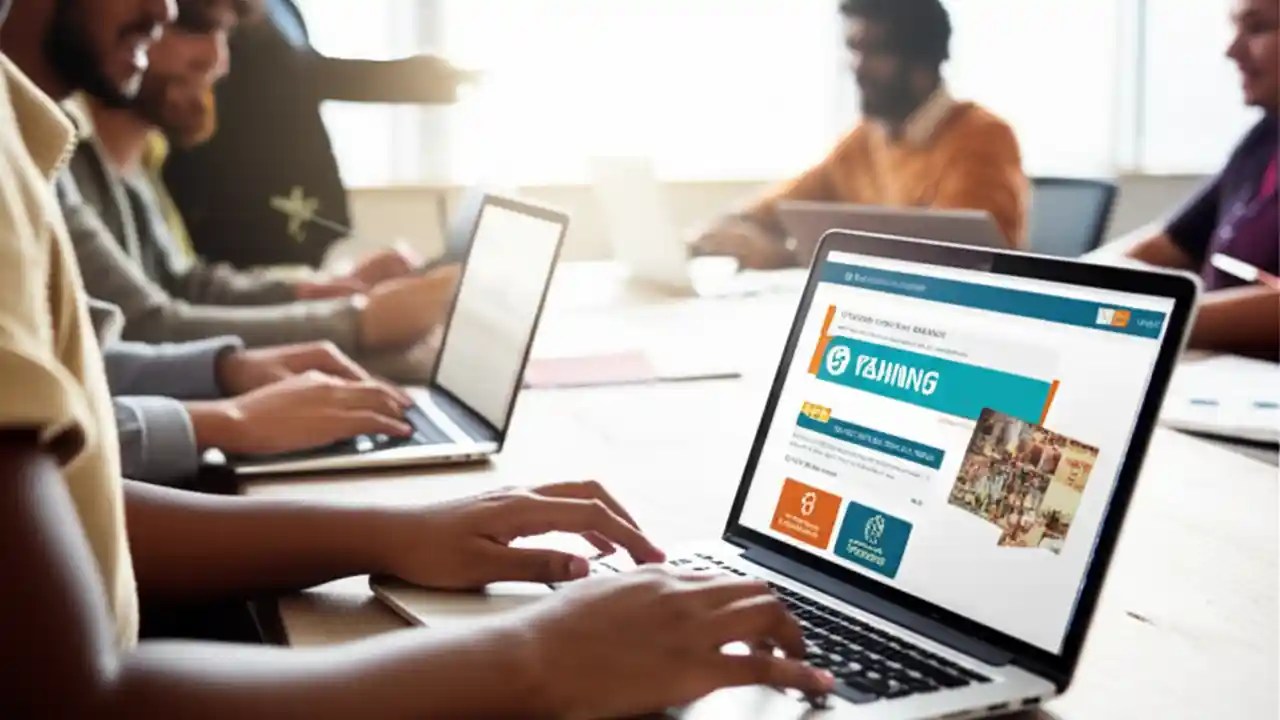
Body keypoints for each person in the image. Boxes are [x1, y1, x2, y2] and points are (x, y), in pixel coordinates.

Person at [0, 2, 831, 715]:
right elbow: (64, 697)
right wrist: (539, 655)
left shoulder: (23, 130)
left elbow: (84, 508)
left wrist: (393, 530)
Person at [54, 0, 458, 367]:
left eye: (226, 34)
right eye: (195, 26)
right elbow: (145, 325)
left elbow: (186, 284)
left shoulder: (141, 156)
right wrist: (364, 319)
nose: (219, 60)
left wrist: (324, 291)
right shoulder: (64, 153)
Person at [693, 0, 1028, 268]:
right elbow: (781, 204)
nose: (858, 68)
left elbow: (956, 262)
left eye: (876, 51)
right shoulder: (867, 138)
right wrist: (722, 230)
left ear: (924, 59)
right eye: (854, 49)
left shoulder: (983, 139)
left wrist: (784, 257)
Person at [163, 0, 473, 269]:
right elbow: (288, 77)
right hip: (247, 212)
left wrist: (420, 80)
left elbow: (304, 71)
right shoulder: (207, 16)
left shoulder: (281, 7)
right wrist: (408, 79)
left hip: (302, 195)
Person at [1126, 0, 1279, 358]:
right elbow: (1165, 249)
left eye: (1256, 29)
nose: (1232, 50)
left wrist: (1146, 321)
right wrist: (1082, 285)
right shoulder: (1263, 139)